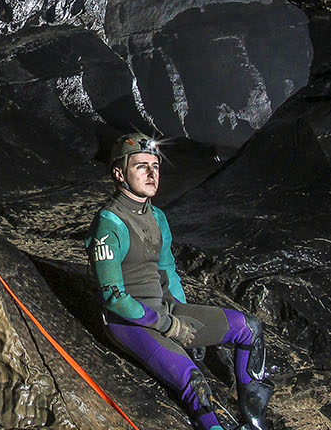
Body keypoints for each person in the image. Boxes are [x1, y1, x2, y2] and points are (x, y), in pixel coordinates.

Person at [90, 133, 272, 430]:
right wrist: (169, 326)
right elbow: (114, 297)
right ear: (119, 173)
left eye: (156, 166)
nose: (152, 173)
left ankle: (254, 420)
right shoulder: (109, 225)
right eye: (141, 166)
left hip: (166, 309)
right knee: (195, 383)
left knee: (248, 329)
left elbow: (167, 269)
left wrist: (182, 315)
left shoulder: (157, 217)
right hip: (131, 323)